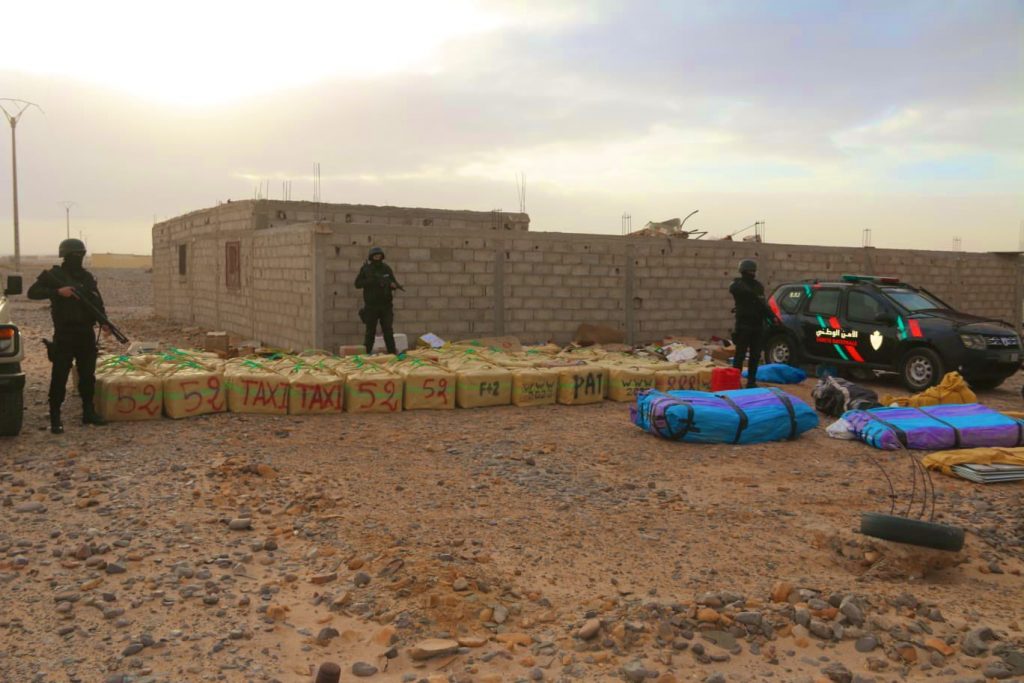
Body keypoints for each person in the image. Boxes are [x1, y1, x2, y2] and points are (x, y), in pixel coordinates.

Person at [27, 238, 109, 433]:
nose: (78, 258)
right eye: (74, 255)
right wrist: (57, 292)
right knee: (59, 377)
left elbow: (96, 302)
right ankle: (55, 418)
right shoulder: (54, 275)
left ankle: (88, 412)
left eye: (80, 255)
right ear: (65, 256)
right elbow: (32, 293)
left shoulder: (87, 278)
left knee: (88, 376)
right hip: (65, 334)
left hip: (85, 334)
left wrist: (104, 321)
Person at [729, 259, 771, 389]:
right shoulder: (737, 285)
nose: (752, 273)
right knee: (740, 355)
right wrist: (754, 297)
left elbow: (763, 304)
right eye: (749, 271)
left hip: (757, 325)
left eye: (753, 271)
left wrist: (771, 317)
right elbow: (736, 289)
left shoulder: (758, 286)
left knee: (755, 355)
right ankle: (735, 381)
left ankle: (751, 381)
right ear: (743, 272)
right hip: (743, 325)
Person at [354, 246, 402, 355]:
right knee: (370, 332)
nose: (377, 257)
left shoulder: (386, 268)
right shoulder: (366, 269)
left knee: (388, 331)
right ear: (371, 257)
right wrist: (370, 281)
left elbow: (393, 282)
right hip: (371, 306)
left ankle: (392, 353)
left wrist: (392, 286)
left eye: (379, 256)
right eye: (375, 256)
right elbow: (357, 284)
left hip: (386, 305)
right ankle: (366, 354)